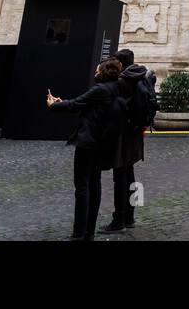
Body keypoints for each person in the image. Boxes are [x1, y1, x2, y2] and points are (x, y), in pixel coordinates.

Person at [48, 58, 124, 240]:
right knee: (94, 185)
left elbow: (75, 105)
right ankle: (88, 232)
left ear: (103, 72)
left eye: (98, 69)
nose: (95, 72)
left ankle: (78, 233)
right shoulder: (116, 88)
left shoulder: (100, 89)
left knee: (82, 187)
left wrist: (53, 105)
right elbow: (84, 103)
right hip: (102, 143)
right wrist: (62, 102)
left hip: (88, 142)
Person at [102, 48, 156, 233]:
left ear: (120, 63)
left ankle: (119, 220)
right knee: (130, 175)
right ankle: (130, 216)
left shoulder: (123, 81)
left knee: (120, 177)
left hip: (123, 134)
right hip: (136, 133)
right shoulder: (142, 76)